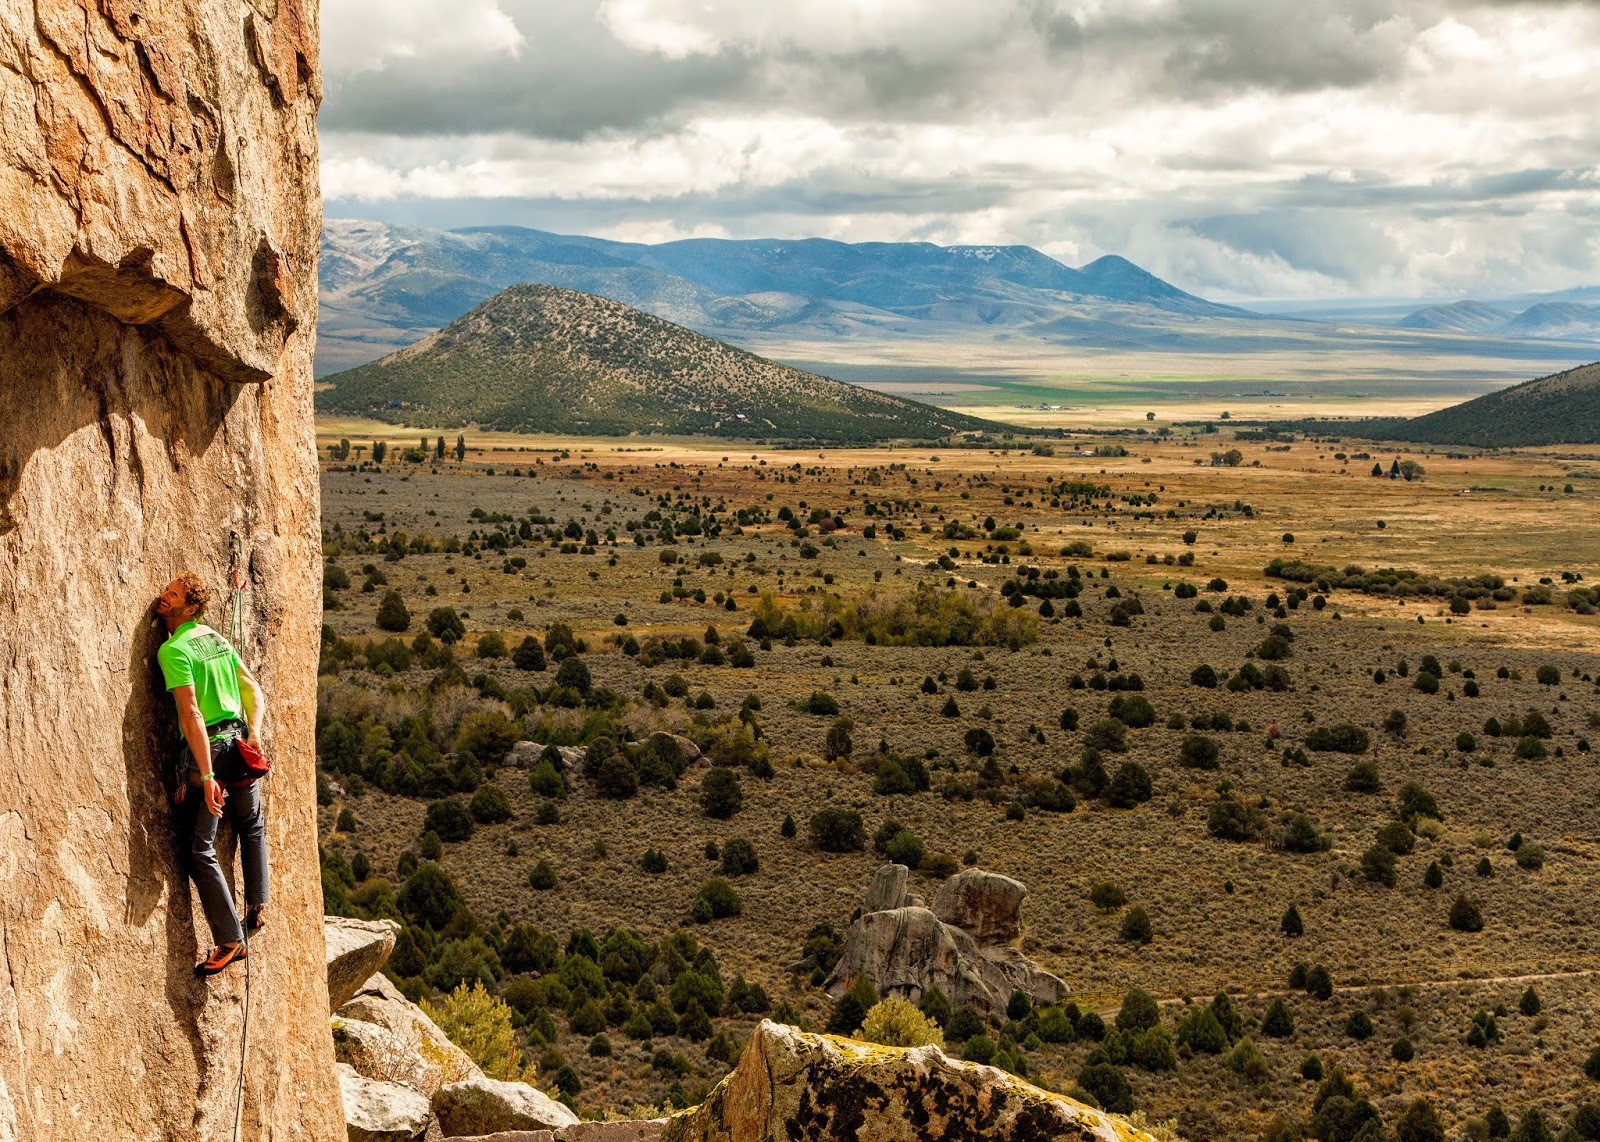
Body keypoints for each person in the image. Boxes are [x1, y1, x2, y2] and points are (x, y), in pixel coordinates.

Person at [155, 571, 269, 977]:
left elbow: (192, 713)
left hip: (213, 751)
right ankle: (256, 904)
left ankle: (230, 940)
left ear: (190, 608)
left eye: (173, 594)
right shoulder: (217, 639)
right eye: (166, 590)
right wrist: (254, 731)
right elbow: (251, 687)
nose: (163, 596)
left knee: (199, 849)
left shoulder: (173, 650)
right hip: (238, 742)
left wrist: (205, 777)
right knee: (251, 823)